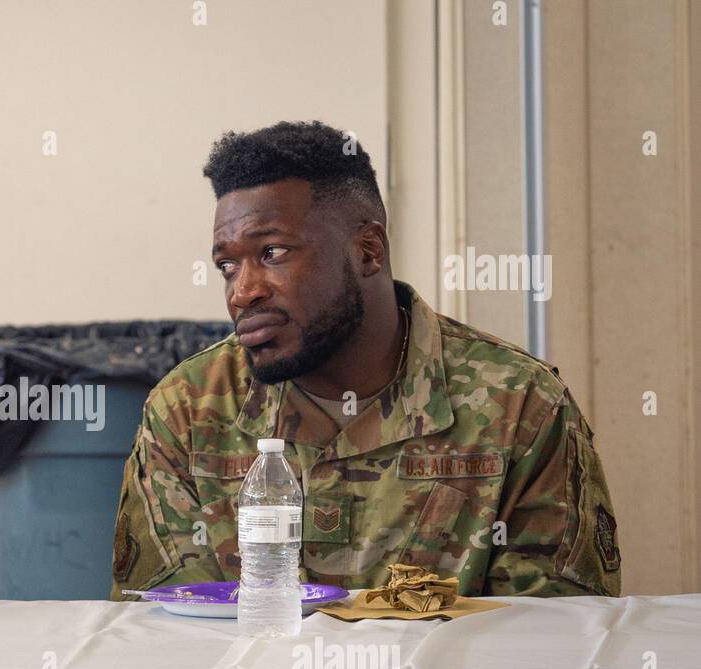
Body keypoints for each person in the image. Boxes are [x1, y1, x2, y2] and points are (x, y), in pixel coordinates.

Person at [111, 120, 621, 599]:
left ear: (369, 251)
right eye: (227, 265)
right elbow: (163, 631)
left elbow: (551, 637)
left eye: (272, 253)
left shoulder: (518, 404)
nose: (242, 292)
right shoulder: (188, 409)